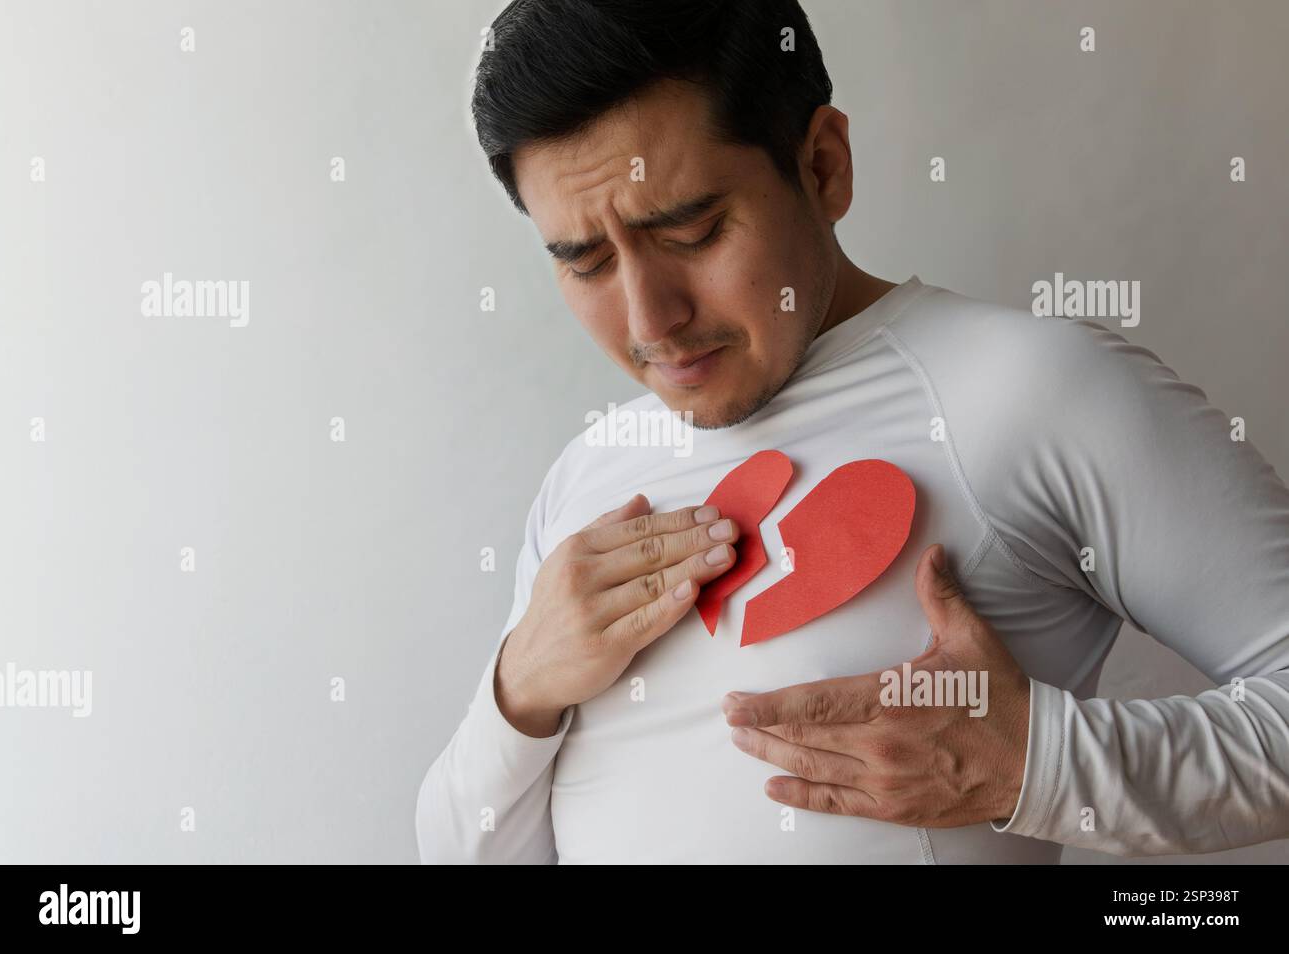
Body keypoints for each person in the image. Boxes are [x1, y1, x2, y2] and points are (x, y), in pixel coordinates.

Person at [416, 0, 1289, 863]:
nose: (653, 320)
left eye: (692, 231)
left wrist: (1040, 768)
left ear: (824, 166)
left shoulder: (1035, 392)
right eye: (588, 262)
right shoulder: (586, 477)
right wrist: (516, 694)